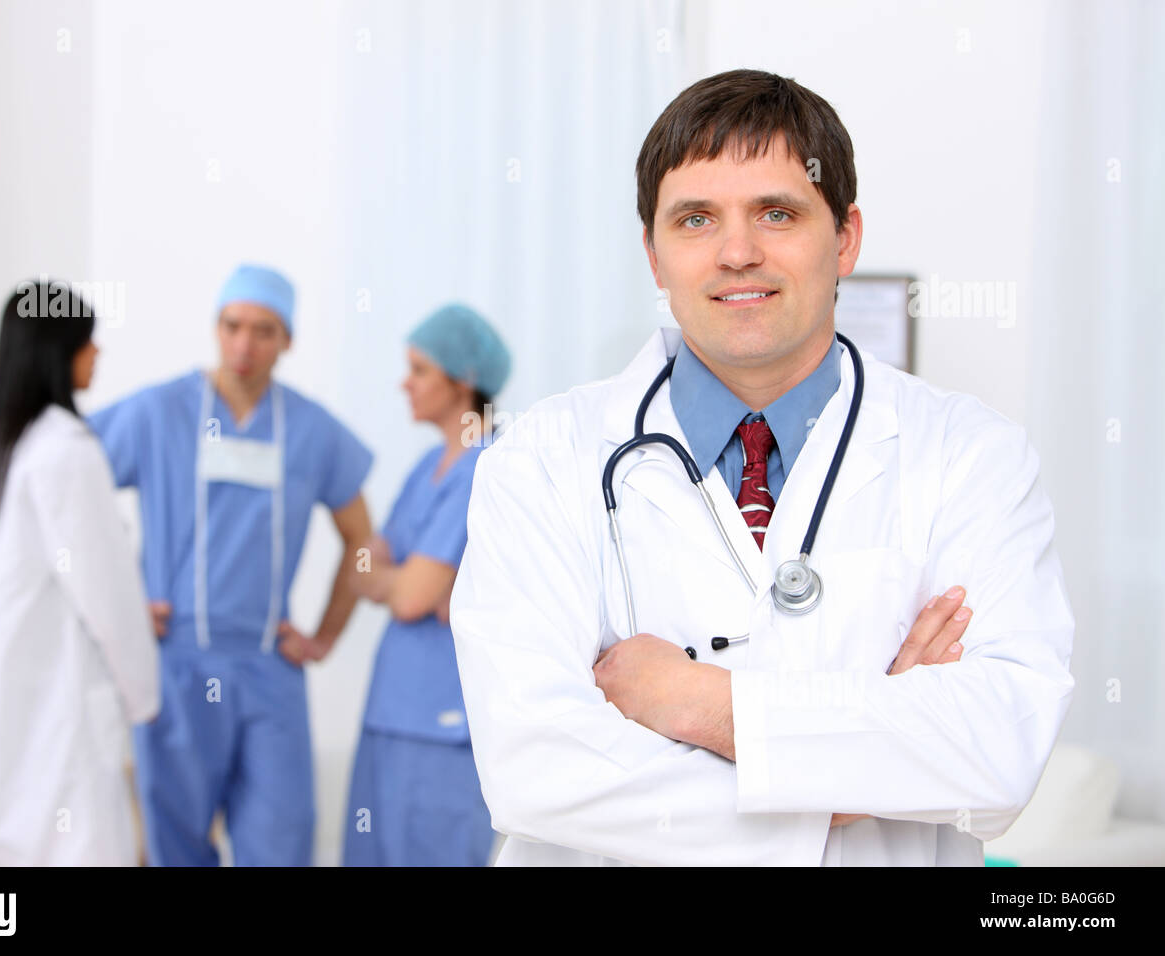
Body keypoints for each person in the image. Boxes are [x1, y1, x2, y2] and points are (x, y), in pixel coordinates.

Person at [449, 70, 1076, 866]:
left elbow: (1000, 748)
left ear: (844, 236)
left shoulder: (972, 457)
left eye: (776, 213)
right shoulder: (541, 461)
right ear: (654, 254)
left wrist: (699, 705)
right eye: (695, 219)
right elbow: (534, 771)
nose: (737, 252)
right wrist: (844, 788)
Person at [88, 264, 373, 866]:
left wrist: (325, 635)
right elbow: (66, 497)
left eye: (264, 330)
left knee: (280, 838)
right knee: (176, 841)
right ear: (216, 328)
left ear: (288, 339)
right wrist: (118, 601)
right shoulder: (156, 413)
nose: (245, 344)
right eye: (232, 325)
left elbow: (362, 542)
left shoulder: (312, 430)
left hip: (270, 670)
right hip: (176, 664)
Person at [0, 279, 159, 866]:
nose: (97, 353)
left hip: (21, 714)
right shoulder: (67, 450)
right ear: (57, 351)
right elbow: (109, 598)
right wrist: (143, 693)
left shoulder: (8, 450)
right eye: (87, 341)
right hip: (67, 717)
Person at [341, 304, 510, 866]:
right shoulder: (426, 467)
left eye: (418, 370)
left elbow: (404, 594)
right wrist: (413, 583)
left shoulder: (490, 465)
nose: (403, 383)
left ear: (463, 379)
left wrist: (407, 584)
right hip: (391, 709)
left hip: (445, 720)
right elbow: (362, 567)